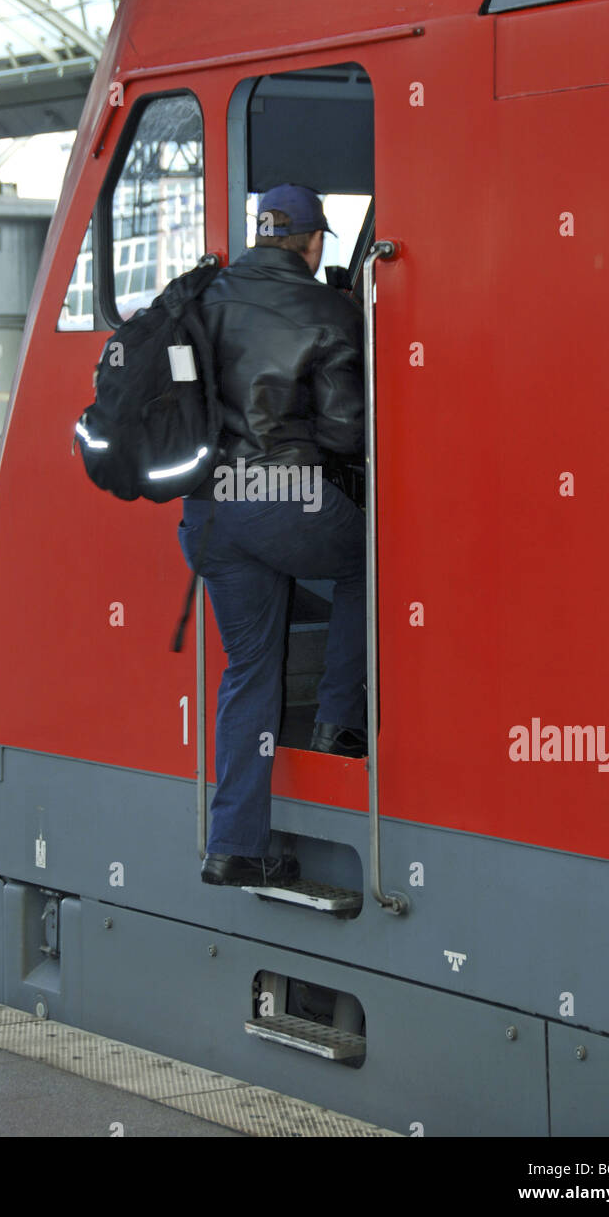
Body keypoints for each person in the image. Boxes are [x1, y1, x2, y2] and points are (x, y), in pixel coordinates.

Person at [177, 183, 367, 888]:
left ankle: (233, 846)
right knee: (373, 563)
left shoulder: (205, 295)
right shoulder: (326, 310)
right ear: (314, 243)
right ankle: (338, 724)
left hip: (209, 511)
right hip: (280, 498)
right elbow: (348, 431)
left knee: (249, 670)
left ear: (261, 234)